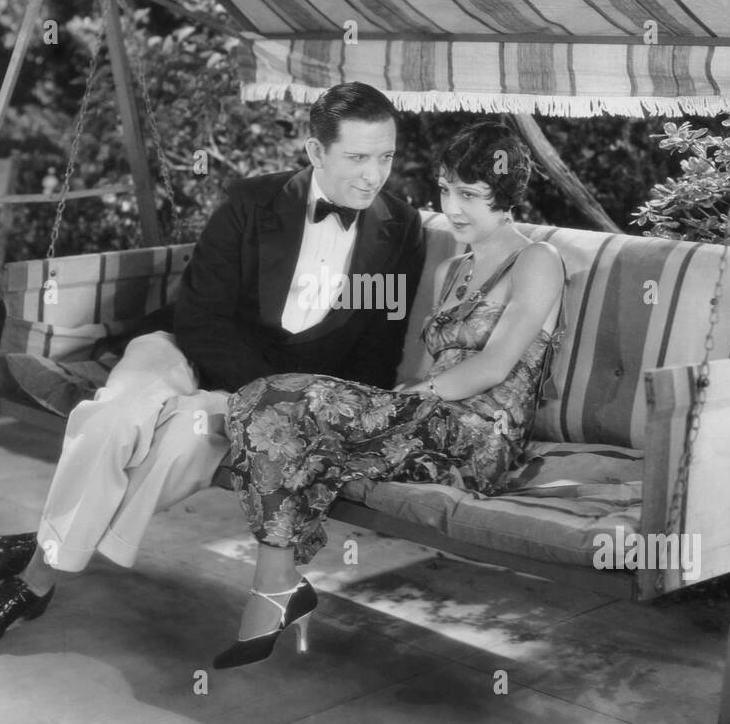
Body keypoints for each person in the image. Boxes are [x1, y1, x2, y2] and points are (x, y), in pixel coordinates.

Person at [0, 82, 425, 648]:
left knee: (175, 448)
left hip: (269, 400)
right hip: (183, 348)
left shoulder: (400, 229)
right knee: (115, 419)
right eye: (358, 157)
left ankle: (37, 573)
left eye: (386, 157)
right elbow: (201, 317)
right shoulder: (251, 201)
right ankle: (46, 552)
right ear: (315, 151)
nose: (374, 175)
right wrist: (253, 390)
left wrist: (300, 414)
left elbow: (376, 348)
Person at [213, 121, 565, 669]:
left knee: (276, 399)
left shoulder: (537, 260)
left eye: (470, 194)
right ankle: (277, 583)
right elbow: (429, 368)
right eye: (446, 190)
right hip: (425, 423)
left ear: (509, 195)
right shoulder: (455, 268)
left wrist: (407, 396)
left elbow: (494, 366)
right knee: (260, 404)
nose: (454, 207)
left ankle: (275, 591)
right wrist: (393, 401)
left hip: (476, 439)